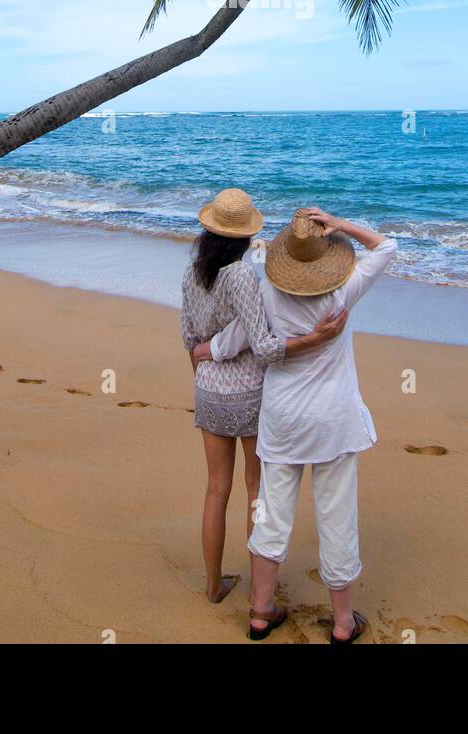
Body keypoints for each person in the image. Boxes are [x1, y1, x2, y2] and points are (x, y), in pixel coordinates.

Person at [194, 206, 396, 641]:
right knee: (337, 518)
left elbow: (236, 340)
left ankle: (261, 612)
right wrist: (341, 224)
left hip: (282, 419)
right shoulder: (343, 293)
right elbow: (387, 247)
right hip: (334, 421)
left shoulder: (266, 292)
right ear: (326, 259)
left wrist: (205, 350)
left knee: (270, 514)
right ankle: (343, 623)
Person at [181, 188, 348, 604]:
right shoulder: (241, 276)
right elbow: (266, 347)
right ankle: (260, 594)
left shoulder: (193, 274)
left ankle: (213, 584)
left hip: (209, 391)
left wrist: (203, 376)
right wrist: (315, 338)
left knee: (215, 490)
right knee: (256, 490)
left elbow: (189, 339)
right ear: (243, 238)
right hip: (250, 394)